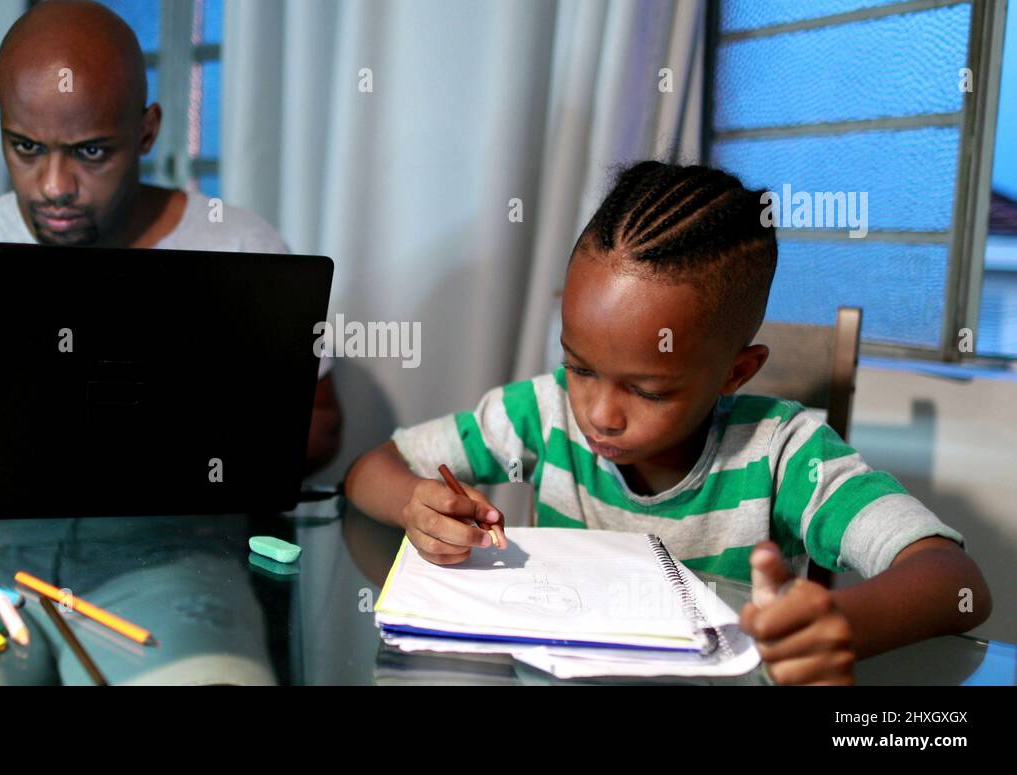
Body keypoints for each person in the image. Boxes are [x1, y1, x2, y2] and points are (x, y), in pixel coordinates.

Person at [344, 160, 991, 685]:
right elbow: (368, 471)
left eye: (647, 389)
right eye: (579, 366)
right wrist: (414, 506)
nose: (597, 413)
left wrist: (841, 625)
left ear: (736, 373)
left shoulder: (784, 455)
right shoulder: (537, 414)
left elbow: (955, 581)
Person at [0, 0, 341, 482]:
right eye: (27, 147)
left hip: (186, 544)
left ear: (147, 131)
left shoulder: (241, 249)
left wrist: (175, 468)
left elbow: (319, 423)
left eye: (90, 151)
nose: (54, 187)